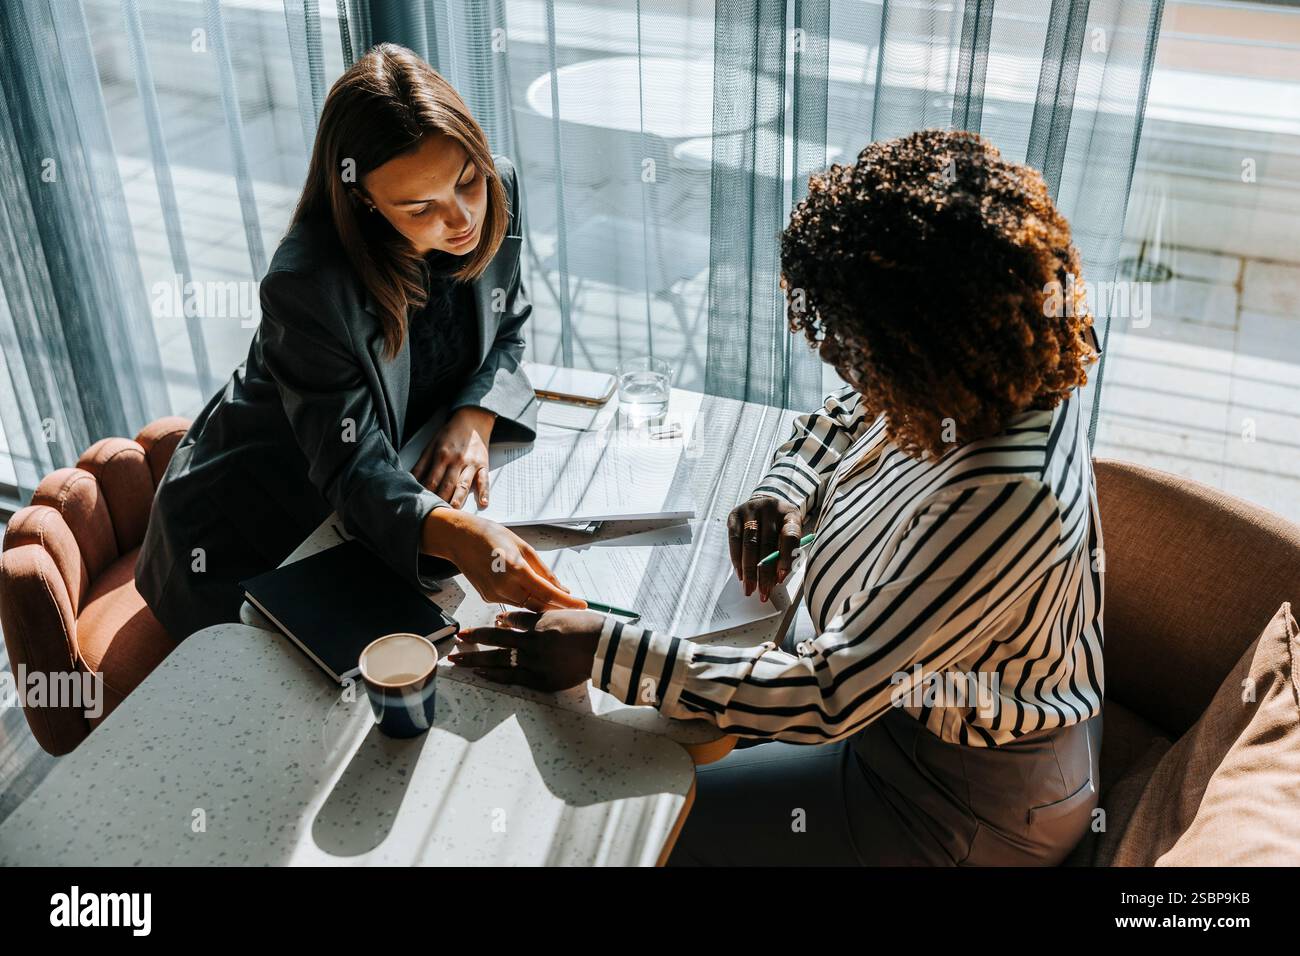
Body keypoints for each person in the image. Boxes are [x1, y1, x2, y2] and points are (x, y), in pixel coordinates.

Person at [451, 128, 1106, 866]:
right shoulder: (975, 373)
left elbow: (830, 695)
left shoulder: (1004, 496)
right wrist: (786, 487)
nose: (831, 353)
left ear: (926, 340)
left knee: (616, 821)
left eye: (853, 343)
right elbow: (849, 412)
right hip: (882, 711)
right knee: (627, 762)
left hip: (954, 798)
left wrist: (603, 649)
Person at [137, 43, 584, 641]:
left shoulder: (497, 185)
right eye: (420, 206)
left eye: (467, 180)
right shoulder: (308, 285)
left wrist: (474, 416)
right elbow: (351, 466)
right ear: (364, 200)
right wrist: (456, 531)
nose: (462, 219)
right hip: (253, 527)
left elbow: (507, 324)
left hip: (380, 494)